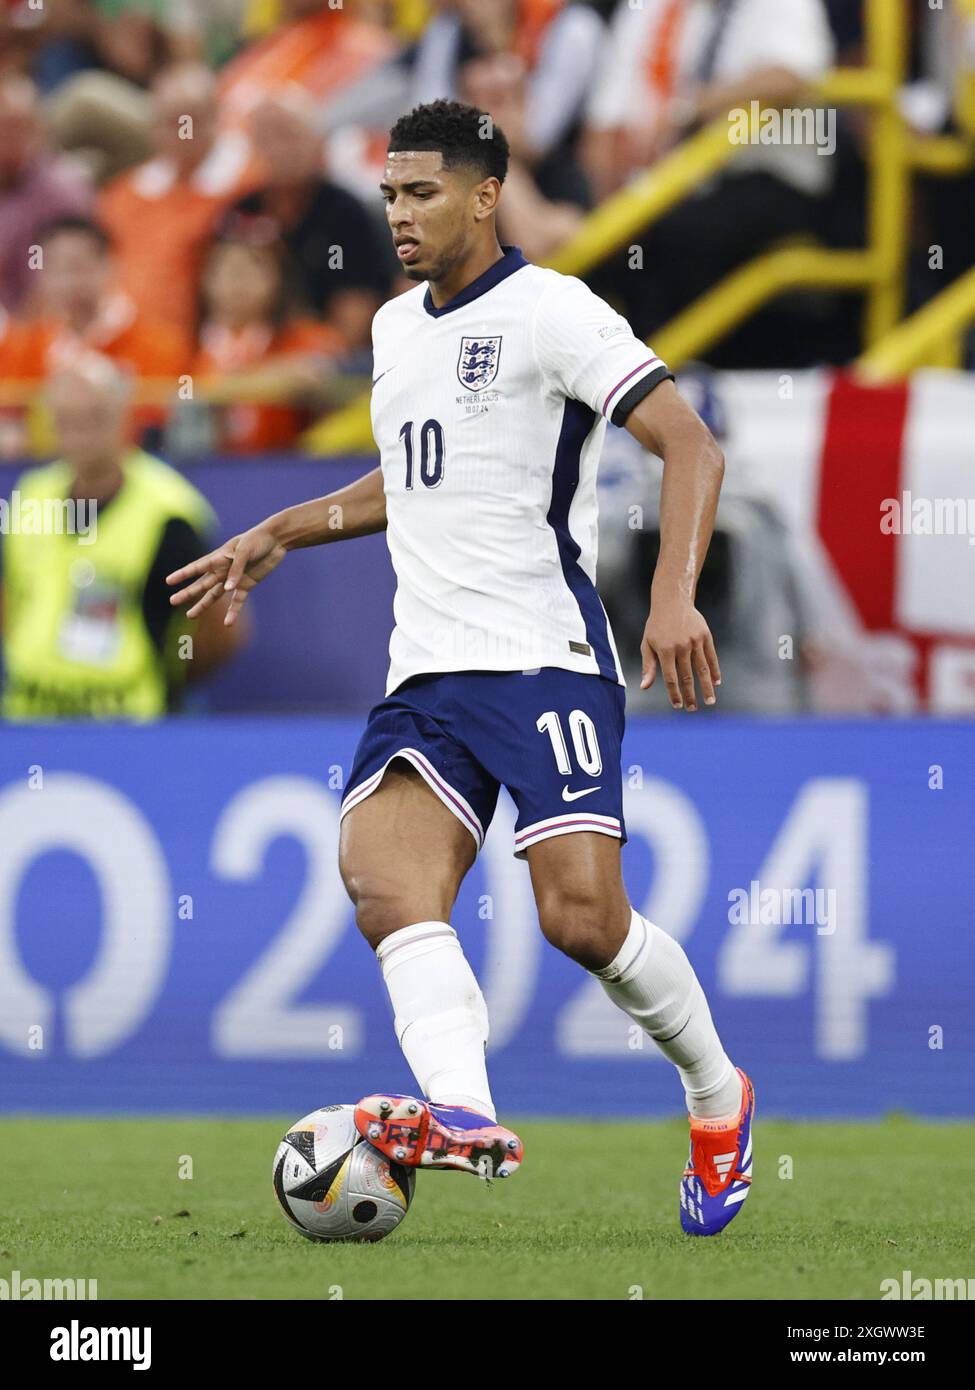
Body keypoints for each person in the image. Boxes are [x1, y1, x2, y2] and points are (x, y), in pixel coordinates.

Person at [167, 99, 753, 1237]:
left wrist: (672, 592)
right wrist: (285, 525)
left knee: (582, 921)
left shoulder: (553, 311)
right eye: (388, 194)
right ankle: (462, 1109)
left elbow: (691, 441)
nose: (398, 214)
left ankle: (718, 1094)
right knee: (384, 882)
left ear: (486, 195)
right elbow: (415, 481)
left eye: (421, 192)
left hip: (542, 658)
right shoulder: (393, 330)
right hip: (426, 673)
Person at [0, 353, 246, 720]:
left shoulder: (169, 512)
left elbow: (221, 624)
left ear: (123, 417)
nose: (79, 433)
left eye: (93, 418)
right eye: (66, 420)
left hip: (128, 721)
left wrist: (169, 684)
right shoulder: (31, 497)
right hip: (29, 716)